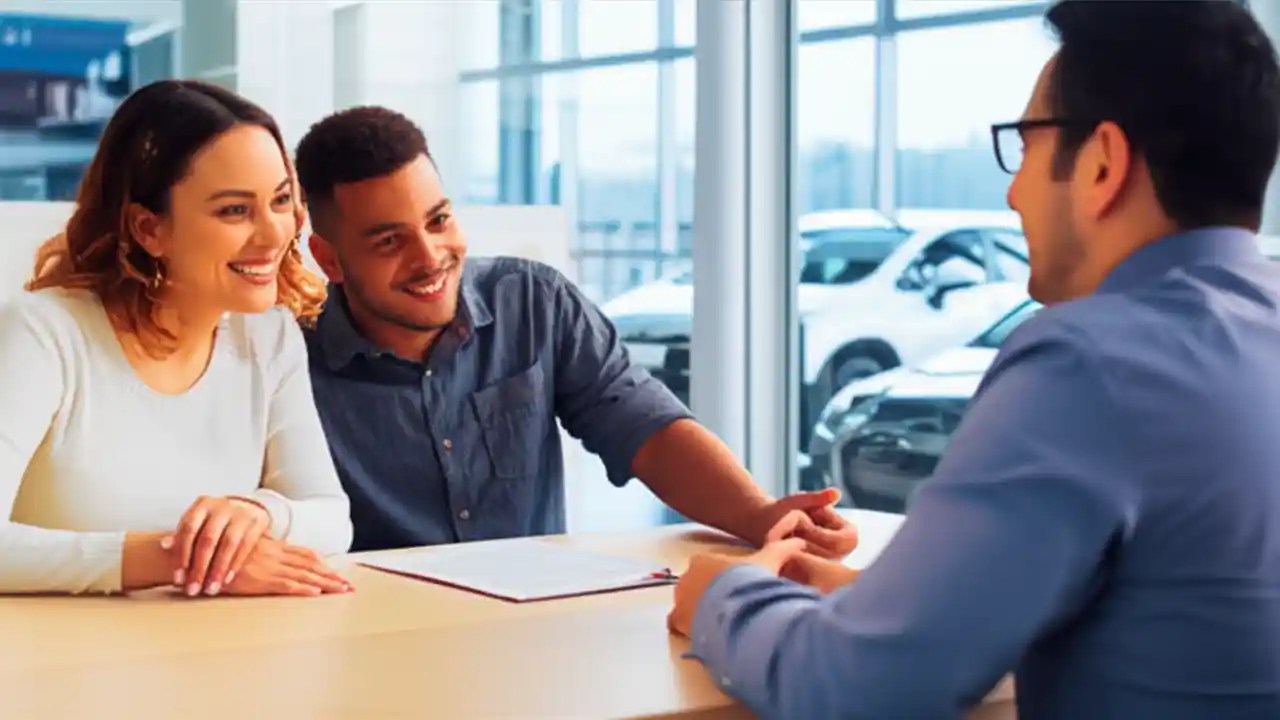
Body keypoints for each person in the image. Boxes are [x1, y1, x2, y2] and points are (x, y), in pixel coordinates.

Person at [668, 1, 1280, 718]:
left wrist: (724, 595)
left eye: (1024, 148)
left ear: (1104, 163)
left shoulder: (1092, 365)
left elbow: (854, 689)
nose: (1013, 192)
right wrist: (886, 609)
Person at [291, 107, 857, 556]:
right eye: (390, 242)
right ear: (331, 260)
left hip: (531, 633)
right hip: (376, 644)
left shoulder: (534, 301)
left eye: (439, 221)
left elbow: (647, 429)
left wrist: (759, 515)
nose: (430, 256)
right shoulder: (291, 361)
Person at [0, 80, 354, 597]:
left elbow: (332, 519)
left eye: (281, 200)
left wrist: (254, 514)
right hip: (60, 667)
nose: (275, 233)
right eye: (234, 210)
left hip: (209, 654)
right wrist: (176, 557)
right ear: (148, 228)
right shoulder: (42, 335)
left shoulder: (269, 336)